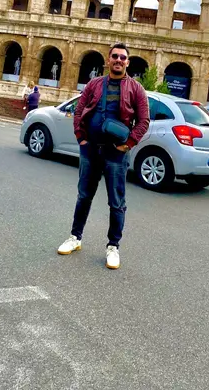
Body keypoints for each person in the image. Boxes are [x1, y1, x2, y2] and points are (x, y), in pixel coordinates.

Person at [57, 43, 150, 270]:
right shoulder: (95, 84)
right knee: (84, 196)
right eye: (115, 56)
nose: (118, 60)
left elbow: (144, 121)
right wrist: (81, 137)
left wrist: (128, 144)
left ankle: (113, 247)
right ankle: (75, 237)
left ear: (128, 62)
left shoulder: (136, 89)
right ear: (108, 60)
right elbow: (79, 110)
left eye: (123, 57)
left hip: (116, 153)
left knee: (116, 202)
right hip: (90, 149)